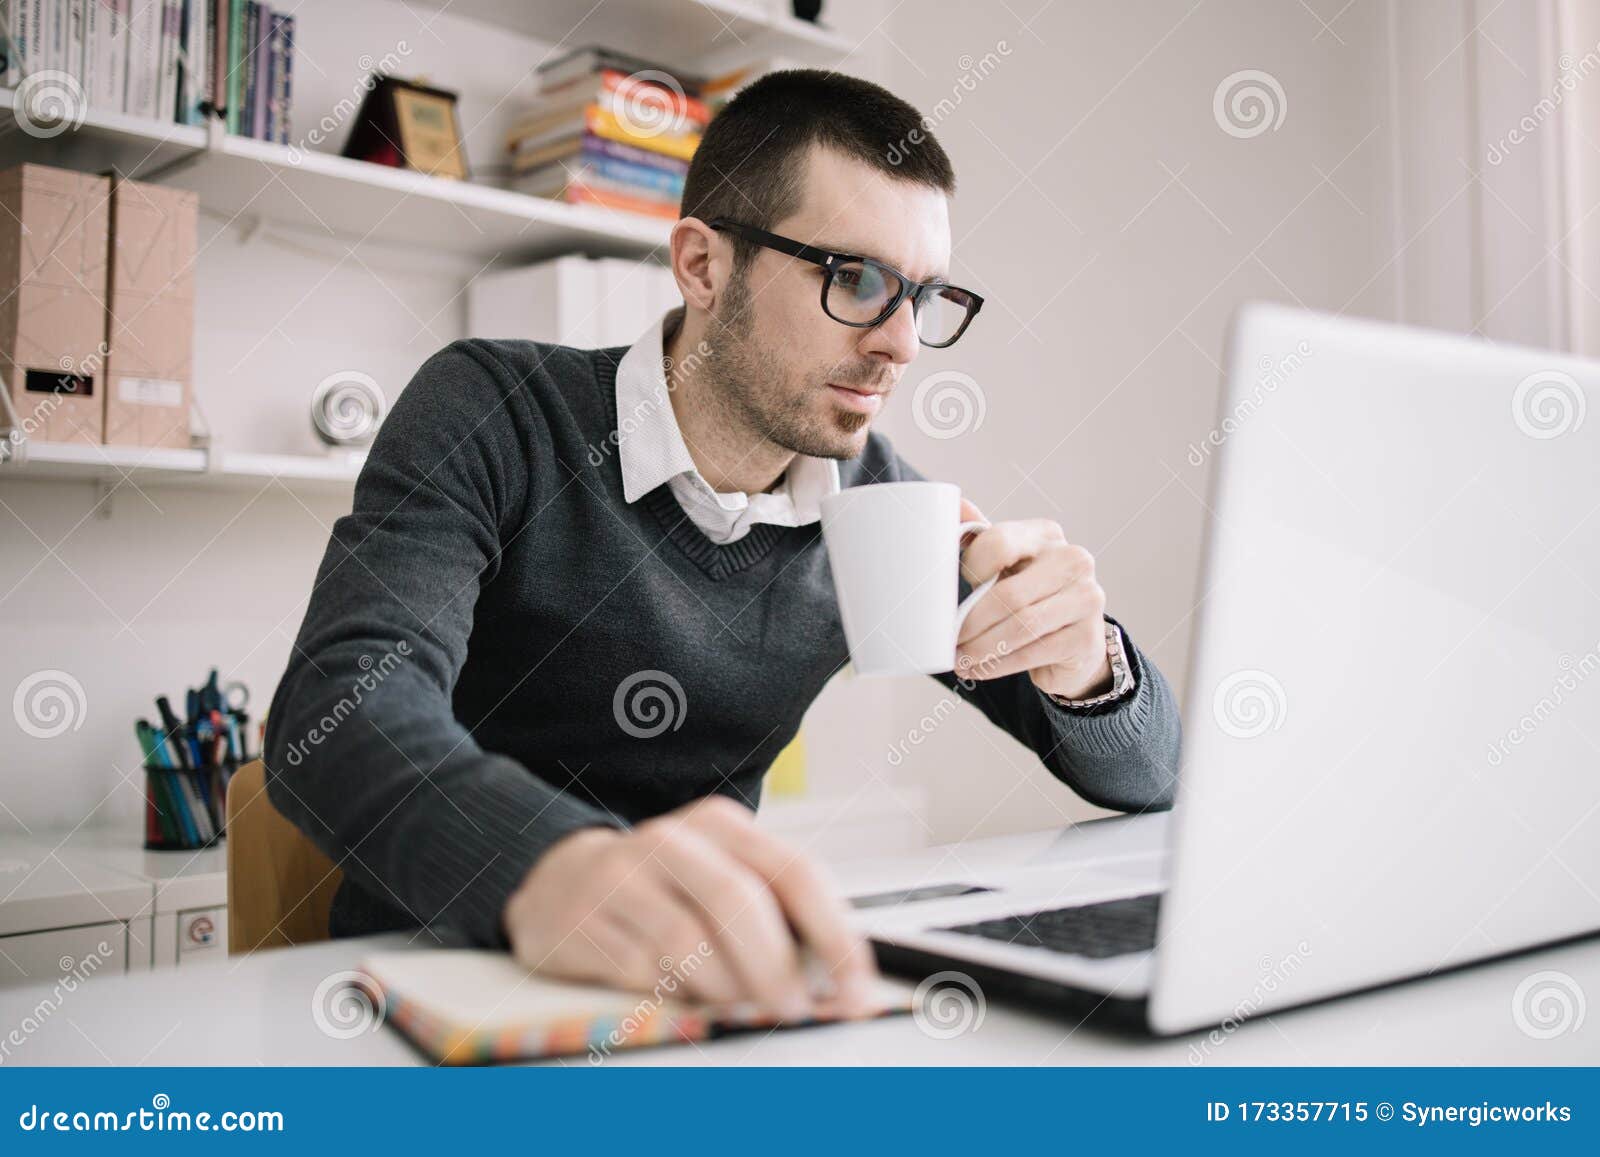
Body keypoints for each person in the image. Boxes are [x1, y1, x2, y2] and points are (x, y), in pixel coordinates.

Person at [264, 69, 1180, 1022]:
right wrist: (557, 867)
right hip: (438, 984)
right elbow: (332, 714)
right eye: (856, 280)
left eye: (926, 295)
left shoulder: (878, 502)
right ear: (702, 266)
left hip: (705, 1001)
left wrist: (1087, 669)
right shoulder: (497, 411)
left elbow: (1153, 777)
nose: (903, 343)